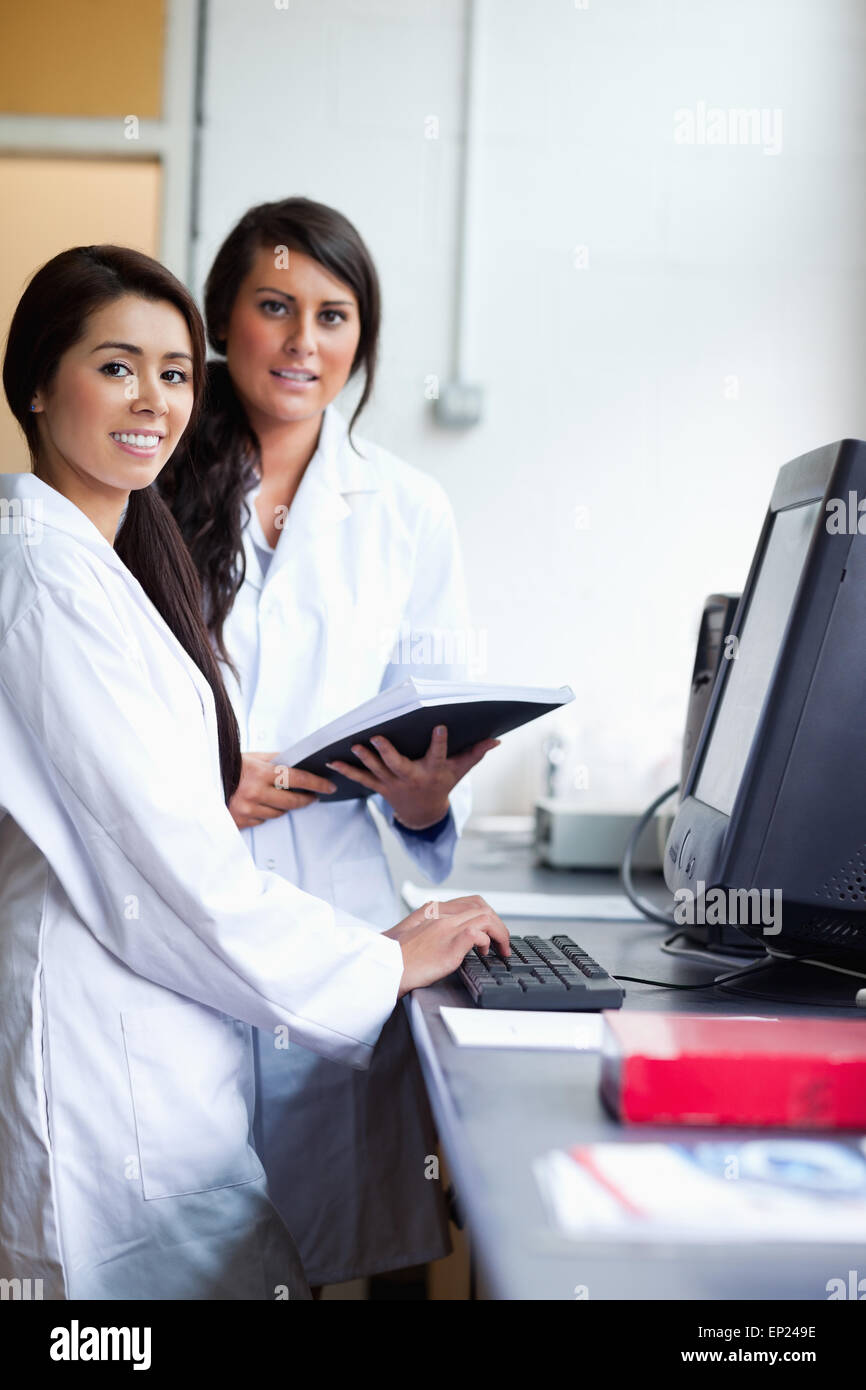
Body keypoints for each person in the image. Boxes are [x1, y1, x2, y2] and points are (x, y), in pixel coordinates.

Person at [0, 243, 508, 1300]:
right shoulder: (47, 575)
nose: (152, 399)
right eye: (116, 366)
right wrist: (376, 961)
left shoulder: (103, 559)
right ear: (39, 384)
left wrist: (413, 822)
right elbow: (169, 867)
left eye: (172, 372)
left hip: (208, 1000)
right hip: (121, 1047)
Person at [160, 197, 499, 1291]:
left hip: (342, 926)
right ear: (222, 323)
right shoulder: (145, 487)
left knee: (364, 1238)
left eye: (334, 315)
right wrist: (207, 784)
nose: (304, 341)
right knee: (200, 1250)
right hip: (183, 914)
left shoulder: (407, 508)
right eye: (274, 307)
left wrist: (422, 798)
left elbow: (430, 727)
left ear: (361, 340)